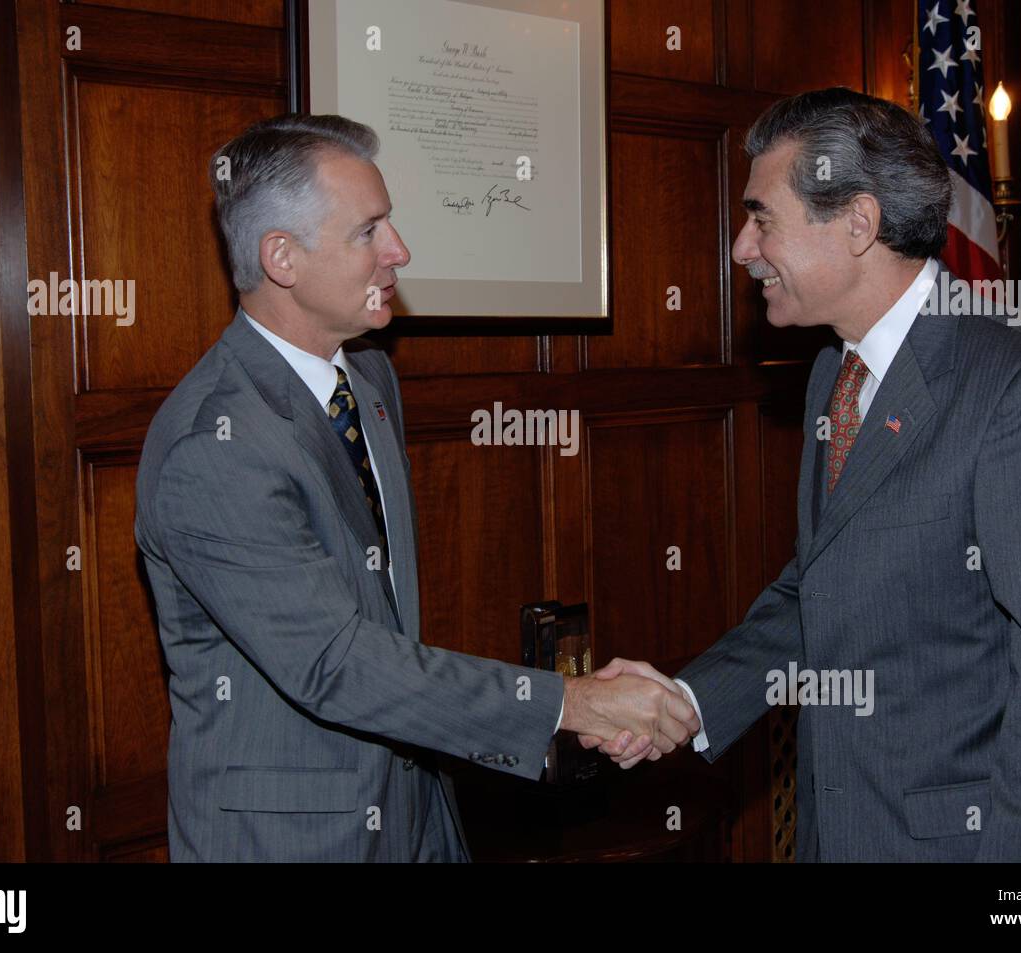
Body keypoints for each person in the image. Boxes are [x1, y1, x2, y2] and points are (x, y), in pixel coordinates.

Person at [585, 88, 1021, 862]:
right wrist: (689, 700)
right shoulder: (831, 378)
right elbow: (819, 588)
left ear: (858, 223)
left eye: (762, 217)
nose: (742, 247)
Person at [134, 114, 697, 862]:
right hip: (290, 840)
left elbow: (386, 629)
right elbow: (335, 663)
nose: (399, 250)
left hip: (416, 818)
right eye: (369, 231)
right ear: (282, 258)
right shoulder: (214, 444)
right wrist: (568, 700)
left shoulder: (368, 378)